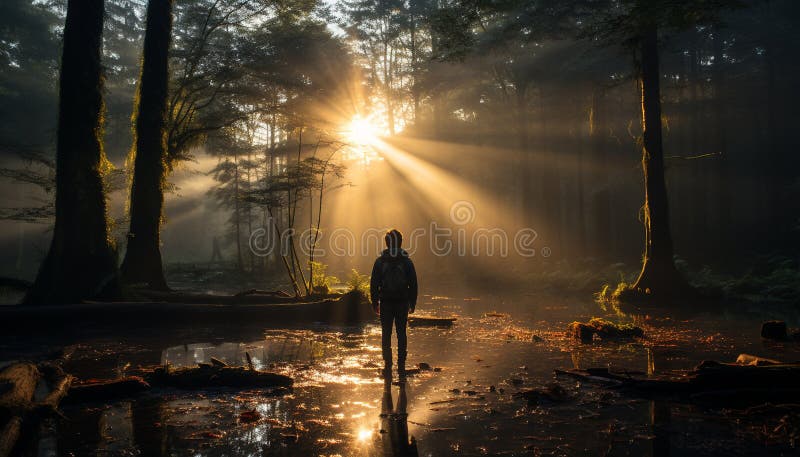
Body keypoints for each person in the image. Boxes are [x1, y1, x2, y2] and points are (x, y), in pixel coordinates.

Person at [370, 229, 418, 380]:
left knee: (386, 333)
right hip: (402, 302)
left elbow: (374, 284)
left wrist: (374, 302)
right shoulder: (407, 262)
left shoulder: (380, 262)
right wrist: (413, 302)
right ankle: (401, 364)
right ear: (401, 242)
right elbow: (413, 284)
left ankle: (387, 363)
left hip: (386, 302)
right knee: (401, 333)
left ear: (387, 242)